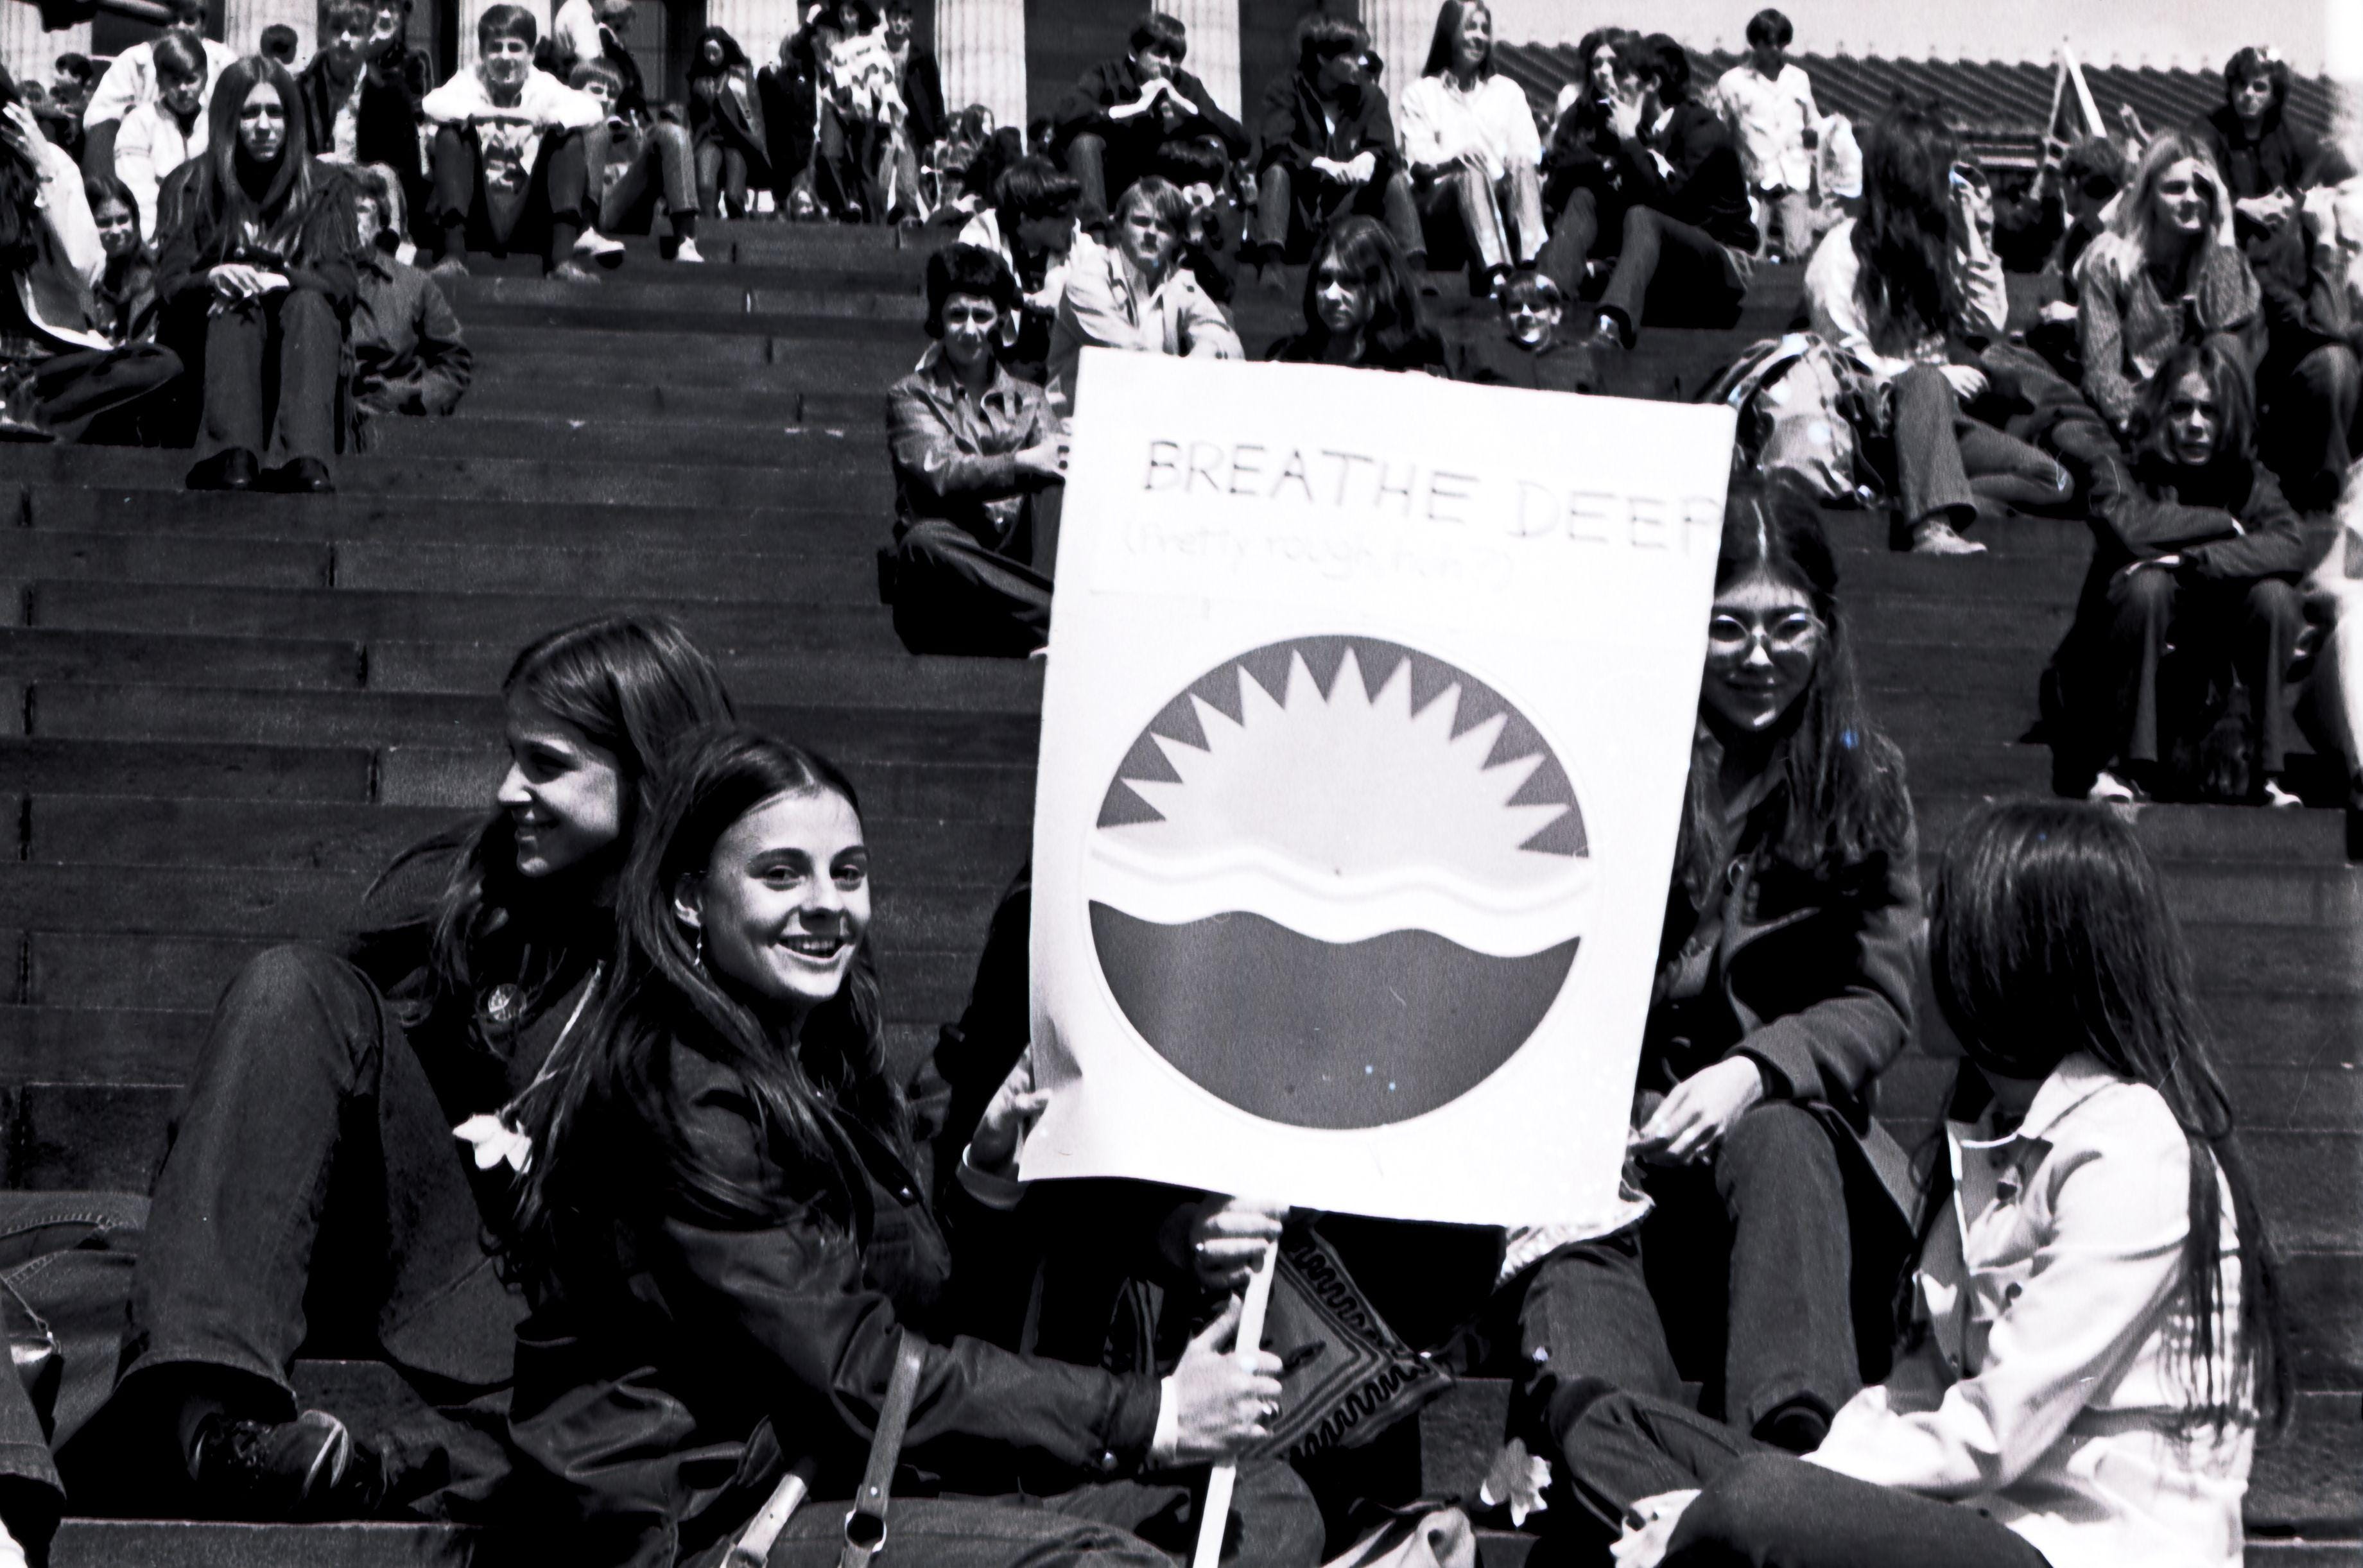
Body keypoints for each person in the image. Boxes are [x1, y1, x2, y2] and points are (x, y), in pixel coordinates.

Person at [499, 725, 1323, 1568]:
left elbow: (904, 1305)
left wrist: (985, 1177)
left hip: (849, 1471)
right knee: (1093, 1562)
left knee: (1259, 1503)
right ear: (687, 896)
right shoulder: (678, 1092)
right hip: (703, 1515)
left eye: (846, 872)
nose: (826, 901)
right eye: (780, 872)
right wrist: (1153, 1411)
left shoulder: (808, 1057)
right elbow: (861, 1367)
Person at [76, 617, 737, 1524]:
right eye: (512, 755)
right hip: (410, 1243)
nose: (509, 789)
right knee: (292, 984)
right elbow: (316, 1063)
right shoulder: (482, 897)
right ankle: (205, 1426)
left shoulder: (733, 939)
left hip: (562, 1321)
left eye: (545, 764)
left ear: (647, 769)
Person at [1558, 798, 2288, 1568]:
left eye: (1946, 915)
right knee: (1602, 1424)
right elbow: (1912, 1395)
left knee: (1753, 1502)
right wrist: (1788, 1489)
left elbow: (1995, 1431)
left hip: (2076, 1546)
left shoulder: (2133, 1151)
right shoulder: (1984, 1135)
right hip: (1963, 1518)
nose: (1917, 938)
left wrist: (1755, 1498)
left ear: (2020, 956)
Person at [2047, 338, 2312, 806]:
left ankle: (2265, 772)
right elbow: (2127, 527)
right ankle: (2123, 769)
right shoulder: (2126, 467)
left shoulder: (2248, 481)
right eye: (2181, 409)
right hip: (2108, 668)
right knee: (2147, 586)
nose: (2194, 424)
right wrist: (2224, 526)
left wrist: (2197, 563)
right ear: (2159, 413)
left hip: (2201, 670)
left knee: (2274, 598)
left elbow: (2292, 544)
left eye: (2208, 412)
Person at [1803, 107, 2073, 555]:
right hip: (1873, 421)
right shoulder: (1843, 249)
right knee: (1925, 378)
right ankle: (1930, 528)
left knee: (2054, 478)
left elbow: (1989, 322)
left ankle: (1918, 495)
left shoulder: (1934, 250)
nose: (1950, 185)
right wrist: (1931, 376)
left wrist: (1971, 232)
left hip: (1942, 423)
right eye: (1943, 173)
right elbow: (1841, 355)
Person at [153, 56, 356, 493]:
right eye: (249, 113)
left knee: (309, 301)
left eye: (275, 112)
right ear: (228, 118)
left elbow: (343, 285)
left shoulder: (328, 185)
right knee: (234, 299)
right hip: (215, 353)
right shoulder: (187, 183)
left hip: (298, 353)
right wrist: (214, 275)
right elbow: (169, 284)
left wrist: (283, 278)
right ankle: (231, 454)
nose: (263, 126)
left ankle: (304, 458)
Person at [881, 245, 1065, 657]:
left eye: (981, 316)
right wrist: (1018, 464)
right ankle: (1061, 616)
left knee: (1059, 488)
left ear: (1000, 319)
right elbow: (941, 472)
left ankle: (1044, 617)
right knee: (922, 543)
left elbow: (1059, 466)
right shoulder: (910, 396)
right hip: (947, 597)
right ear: (939, 320)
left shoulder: (1032, 400)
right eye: (956, 315)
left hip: (1017, 567)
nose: (968, 329)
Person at [1546, 33, 1758, 352]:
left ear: (1652, 84)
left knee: (1643, 216)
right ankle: (1545, 298)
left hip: (1721, 258)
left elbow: (1671, 204)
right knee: (1585, 198)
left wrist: (1630, 144)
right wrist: (1607, 159)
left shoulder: (1704, 130)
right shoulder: (1627, 127)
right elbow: (1557, 180)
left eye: (1622, 77)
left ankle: (1610, 327)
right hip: (1657, 260)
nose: (1612, 87)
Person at [0, 72, 181, 442]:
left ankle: (32, 416)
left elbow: (87, 268)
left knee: (163, 365)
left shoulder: (50, 164)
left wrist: (45, 170)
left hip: (49, 364)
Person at [2072, 131, 2261, 448]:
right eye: (2175, 189)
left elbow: (2226, 330)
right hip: (2139, 418)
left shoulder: (2221, 261)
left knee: (2227, 342)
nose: (2191, 199)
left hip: (2207, 423)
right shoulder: (2110, 263)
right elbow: (2101, 371)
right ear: (2149, 197)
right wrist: (2143, 425)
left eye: (2203, 190)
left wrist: (2226, 223)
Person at [421, 4, 603, 284]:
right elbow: (431, 103)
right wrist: (484, 114)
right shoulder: (470, 79)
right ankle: (454, 256)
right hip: (478, 211)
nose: (505, 57)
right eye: (495, 48)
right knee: (451, 134)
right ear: (482, 54)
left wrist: (550, 118)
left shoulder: (544, 85)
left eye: (515, 48)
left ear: (531, 54)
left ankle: (563, 260)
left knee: (568, 138)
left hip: (527, 210)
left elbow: (593, 110)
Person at [1245, 13, 1422, 282]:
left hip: (1347, 210)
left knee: (1395, 179)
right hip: (1299, 214)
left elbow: (1386, 150)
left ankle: (1416, 268)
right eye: (1352, 55)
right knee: (1276, 170)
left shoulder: (1371, 97)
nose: (1362, 62)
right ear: (1323, 59)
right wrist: (1322, 164)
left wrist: (1369, 159)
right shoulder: (1284, 91)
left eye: (1364, 53)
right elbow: (1277, 144)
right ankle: (1272, 266)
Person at [1044, 174, 1241, 415]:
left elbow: (1230, 344)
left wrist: (1210, 347)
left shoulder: (1179, 281)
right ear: (1119, 226)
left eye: (1163, 227)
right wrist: (1187, 374)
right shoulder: (1088, 277)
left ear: (1179, 238)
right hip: (1077, 422)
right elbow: (1128, 355)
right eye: (1141, 222)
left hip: (1146, 415)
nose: (1151, 233)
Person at [1396, 0, 1544, 291]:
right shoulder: (1421, 93)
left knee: (1524, 166)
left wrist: (1511, 170)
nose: (1479, 36)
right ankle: (1497, 276)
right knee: (1471, 174)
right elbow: (1418, 163)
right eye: (1470, 27)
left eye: (1485, 29)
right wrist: (1455, 160)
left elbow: (1529, 152)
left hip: (1500, 196)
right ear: (1450, 32)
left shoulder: (1508, 92)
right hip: (1442, 206)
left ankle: (1532, 267)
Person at [1050, 12, 1249, 223]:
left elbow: (1242, 142)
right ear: (1135, 52)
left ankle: (1219, 233)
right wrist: (1136, 108)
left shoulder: (1187, 85)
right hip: (1116, 172)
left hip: (1169, 175)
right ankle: (1095, 232)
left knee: (1215, 143)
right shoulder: (1107, 74)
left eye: (1175, 58)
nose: (1167, 64)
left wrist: (1188, 108)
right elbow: (1066, 117)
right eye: (1159, 54)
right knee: (1085, 143)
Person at [348, 165, 471, 445]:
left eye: (361, 210)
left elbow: (454, 362)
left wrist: (417, 398)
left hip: (397, 417)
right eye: (341, 209)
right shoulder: (309, 283)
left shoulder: (415, 285)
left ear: (381, 222)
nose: (350, 219)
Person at [78, 0, 237, 185]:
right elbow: (101, 122)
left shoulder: (224, 61)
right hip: (145, 166)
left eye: (189, 21)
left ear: (203, 25)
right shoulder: (135, 61)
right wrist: (105, 187)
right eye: (172, 21)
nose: (180, 28)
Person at [1264, 213, 1444, 372]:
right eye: (1325, 280)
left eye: (1350, 281)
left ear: (1382, 286)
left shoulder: (1416, 359)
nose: (1331, 295)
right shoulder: (1289, 357)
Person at [956, 155, 1080, 381]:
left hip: (1054, 374)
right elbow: (969, 283)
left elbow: (1094, 272)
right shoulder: (983, 231)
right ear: (1028, 219)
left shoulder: (1074, 237)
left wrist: (1058, 285)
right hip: (990, 366)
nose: (1073, 222)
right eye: (1064, 216)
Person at [1715, 9, 1819, 261]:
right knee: (1751, 251)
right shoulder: (1733, 82)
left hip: (1793, 177)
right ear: (1755, 43)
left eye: (1781, 43)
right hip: (1754, 181)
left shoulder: (1799, 79)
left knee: (1800, 251)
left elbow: (1813, 122)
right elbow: (1720, 131)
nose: (1775, 49)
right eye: (1769, 43)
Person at [571, 60, 698, 262]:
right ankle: (585, 230)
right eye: (596, 90)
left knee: (672, 133)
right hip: (576, 214)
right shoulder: (558, 126)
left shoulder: (626, 136)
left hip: (620, 210)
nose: (605, 99)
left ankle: (686, 240)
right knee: (597, 129)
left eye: (612, 94)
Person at [299, 0, 427, 200]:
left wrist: (356, 175)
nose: (345, 39)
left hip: (372, 203)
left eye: (355, 31)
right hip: (314, 202)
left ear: (369, 37)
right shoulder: (302, 91)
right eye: (336, 29)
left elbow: (409, 174)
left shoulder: (391, 93)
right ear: (323, 32)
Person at [111, 31, 208, 245]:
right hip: (158, 238)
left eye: (191, 80)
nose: (183, 89)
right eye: (174, 81)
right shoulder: (140, 123)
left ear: (205, 78)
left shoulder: (216, 123)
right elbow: (137, 194)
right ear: (160, 82)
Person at [1446, 266, 1595, 390]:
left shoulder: (1577, 358)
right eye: (1516, 307)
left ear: (1555, 314)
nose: (1525, 314)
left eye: (1536, 307)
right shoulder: (1485, 354)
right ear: (1504, 316)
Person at [686, 26, 768, 220]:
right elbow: (694, 117)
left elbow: (753, 112)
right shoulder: (699, 81)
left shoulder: (740, 76)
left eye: (716, 52)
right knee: (705, 187)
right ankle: (708, 230)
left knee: (734, 195)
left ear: (725, 50)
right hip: (710, 139)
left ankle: (739, 233)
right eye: (708, 53)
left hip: (737, 141)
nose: (712, 57)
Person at [756, 25, 821, 218]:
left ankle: (799, 206)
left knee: (799, 193)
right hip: (781, 150)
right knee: (785, 196)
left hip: (802, 150)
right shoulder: (774, 76)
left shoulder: (809, 77)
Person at [883, 0, 945, 157]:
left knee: (909, 178)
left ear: (910, 23)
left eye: (903, 20)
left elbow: (935, 95)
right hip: (883, 123)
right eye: (894, 18)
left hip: (912, 126)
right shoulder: (878, 49)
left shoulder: (922, 55)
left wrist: (940, 135)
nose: (898, 24)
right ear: (887, 19)